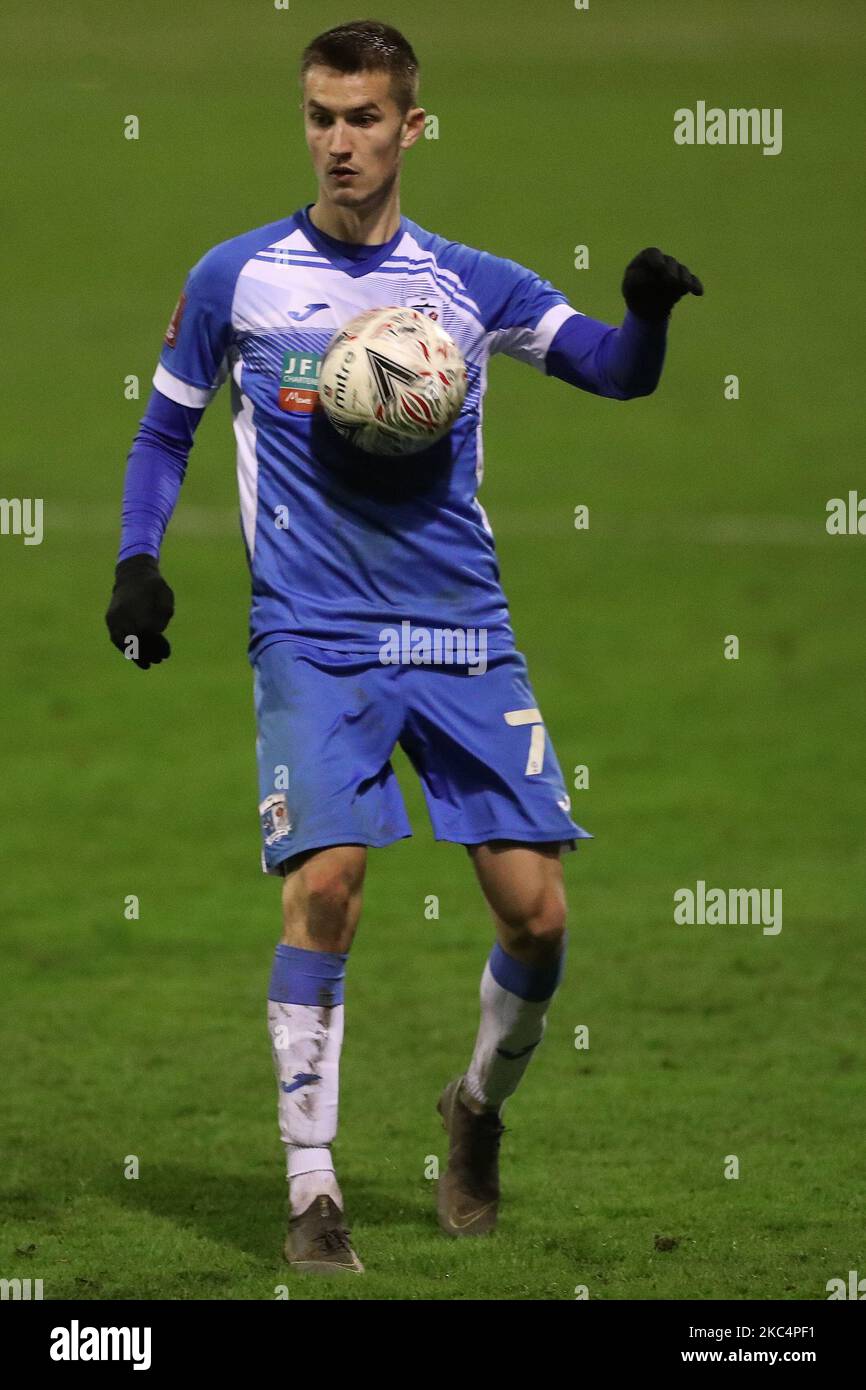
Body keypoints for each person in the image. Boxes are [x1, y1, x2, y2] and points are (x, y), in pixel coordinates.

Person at [106, 18, 702, 1276]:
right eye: (320, 116)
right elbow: (164, 433)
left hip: (462, 631)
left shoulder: (467, 284)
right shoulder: (238, 278)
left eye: (364, 117)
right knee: (324, 885)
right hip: (312, 632)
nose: (339, 142)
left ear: (410, 127)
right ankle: (312, 1190)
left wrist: (643, 317)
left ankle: (473, 1110)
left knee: (535, 916)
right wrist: (138, 564)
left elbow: (611, 371)